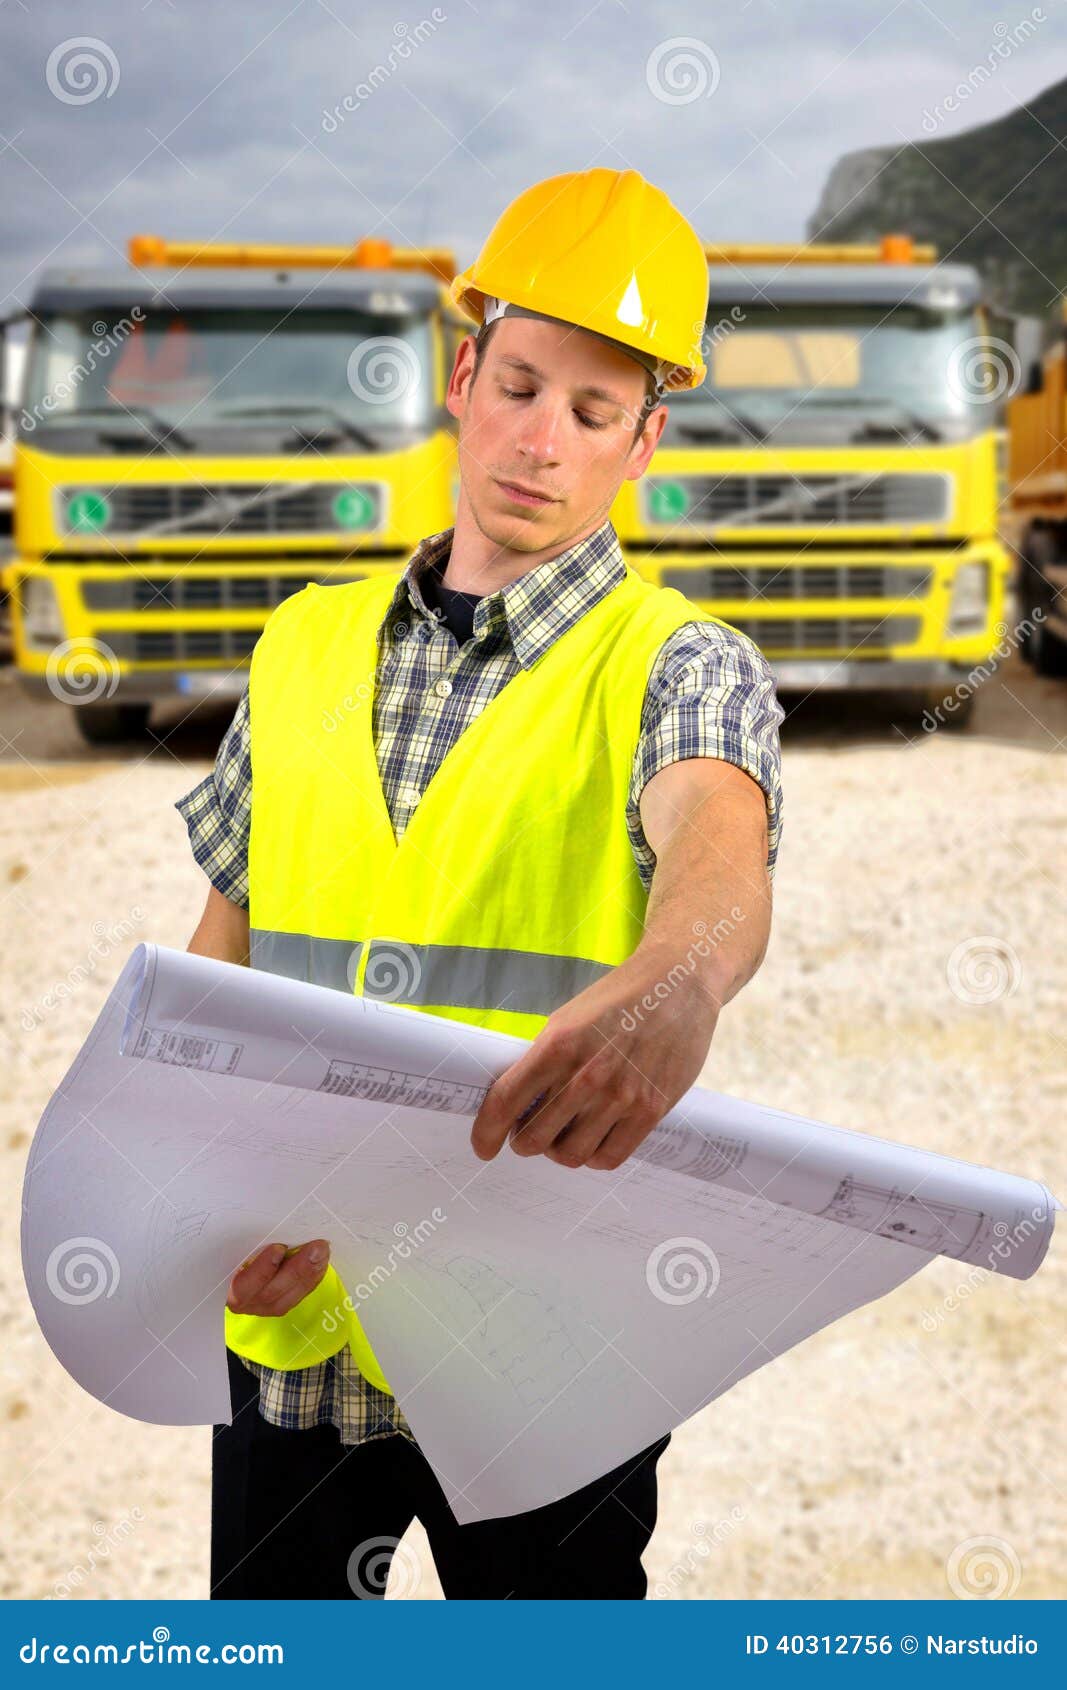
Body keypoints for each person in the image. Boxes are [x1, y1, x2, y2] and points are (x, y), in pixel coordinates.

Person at [176, 167, 785, 1600]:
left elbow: (717, 847)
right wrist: (188, 1196)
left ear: (646, 440)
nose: (539, 438)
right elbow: (213, 969)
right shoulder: (300, 649)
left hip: (544, 1347)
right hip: (297, 1321)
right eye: (519, 384)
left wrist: (684, 977)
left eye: (590, 411)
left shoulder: (681, 665)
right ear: (463, 375)